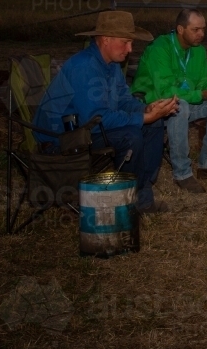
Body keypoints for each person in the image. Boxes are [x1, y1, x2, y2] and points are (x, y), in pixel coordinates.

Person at [34, 11, 179, 214]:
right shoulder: (85, 66)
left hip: (85, 130)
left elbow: (124, 100)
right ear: (106, 40)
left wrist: (146, 109)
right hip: (63, 139)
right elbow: (96, 118)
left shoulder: (111, 66)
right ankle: (127, 203)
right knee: (132, 136)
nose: (130, 49)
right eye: (126, 42)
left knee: (154, 124)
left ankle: (142, 196)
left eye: (131, 43)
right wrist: (142, 117)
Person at [131, 8, 207, 193]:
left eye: (203, 29)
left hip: (184, 100)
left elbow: (202, 82)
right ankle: (182, 173)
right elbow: (165, 92)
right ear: (180, 29)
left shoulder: (198, 51)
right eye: (196, 30)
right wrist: (203, 95)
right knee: (179, 106)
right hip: (151, 105)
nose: (201, 34)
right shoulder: (160, 48)